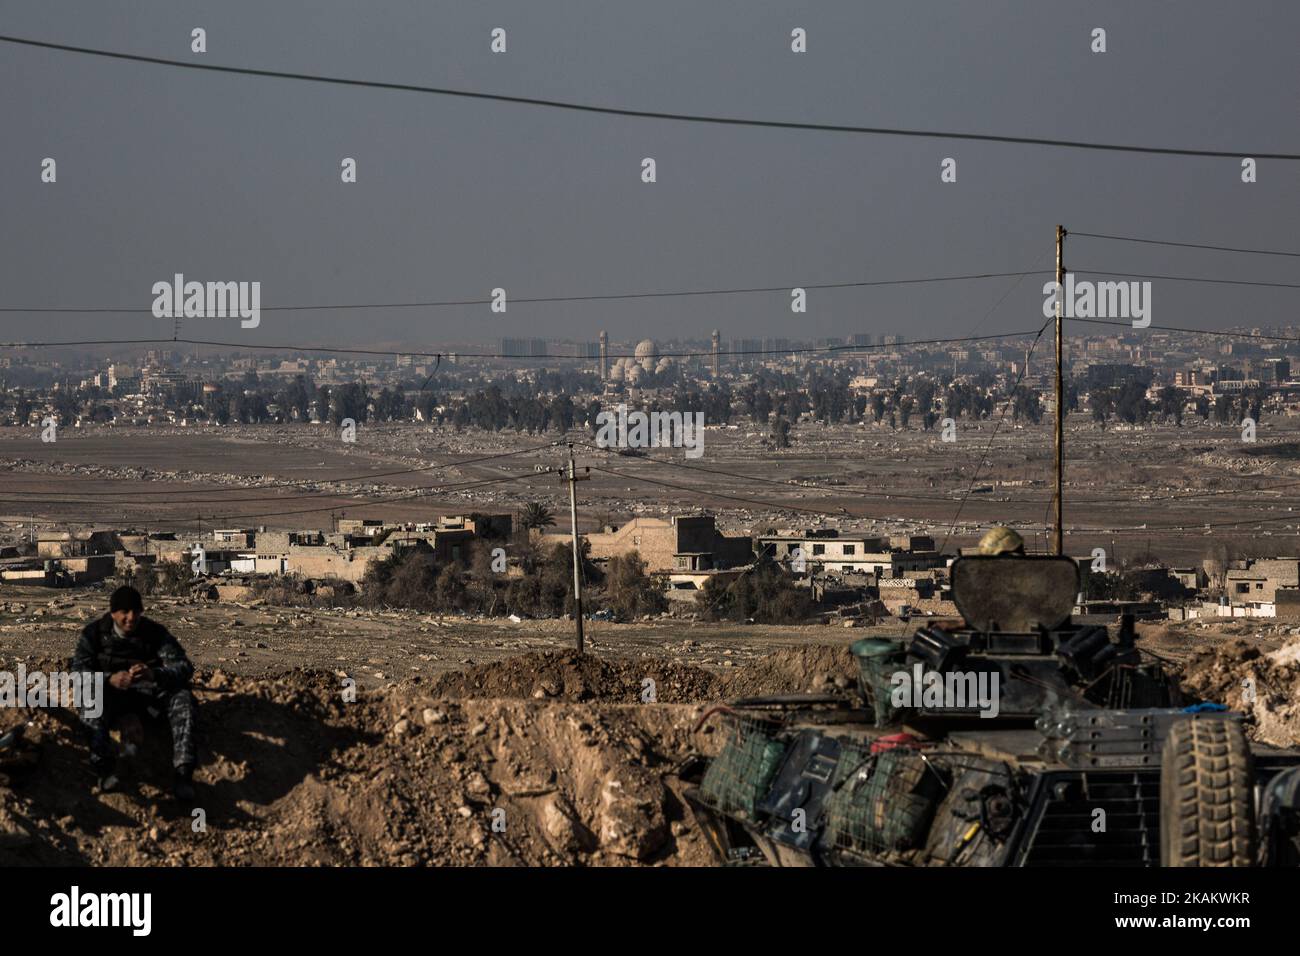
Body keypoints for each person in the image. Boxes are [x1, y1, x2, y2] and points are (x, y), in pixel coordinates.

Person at [71, 585, 198, 800]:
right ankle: (104, 769)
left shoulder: (154, 634)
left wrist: (154, 674)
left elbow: (184, 668)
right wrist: (109, 679)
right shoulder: (94, 634)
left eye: (136, 612)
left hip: (147, 700)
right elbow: (77, 674)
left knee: (183, 698)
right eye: (125, 612)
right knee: (90, 696)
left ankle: (183, 773)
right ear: (113, 613)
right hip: (110, 701)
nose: (131, 618)